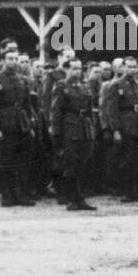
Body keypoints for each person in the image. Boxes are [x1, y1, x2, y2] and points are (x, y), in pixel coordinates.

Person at [0, 51, 37, 207]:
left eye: (16, 59)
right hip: (5, 124)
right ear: (3, 61)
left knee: (23, 161)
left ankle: (21, 193)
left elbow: (27, 105)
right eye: (10, 59)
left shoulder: (23, 80)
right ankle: (7, 194)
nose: (14, 62)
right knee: (6, 161)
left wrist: (30, 124)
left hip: (22, 125)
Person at [49, 58, 98, 211]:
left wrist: (92, 127)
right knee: (71, 164)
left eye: (79, 69)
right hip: (69, 128)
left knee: (82, 163)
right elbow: (56, 111)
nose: (77, 72)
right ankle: (71, 199)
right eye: (74, 69)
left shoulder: (85, 87)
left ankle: (80, 198)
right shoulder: (61, 86)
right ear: (66, 70)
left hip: (84, 127)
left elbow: (90, 110)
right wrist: (56, 132)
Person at [103, 59, 138, 203]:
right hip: (126, 126)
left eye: (135, 67)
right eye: (129, 67)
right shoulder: (116, 85)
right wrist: (116, 129)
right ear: (123, 68)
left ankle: (137, 190)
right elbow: (112, 109)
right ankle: (126, 191)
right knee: (126, 160)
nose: (132, 69)